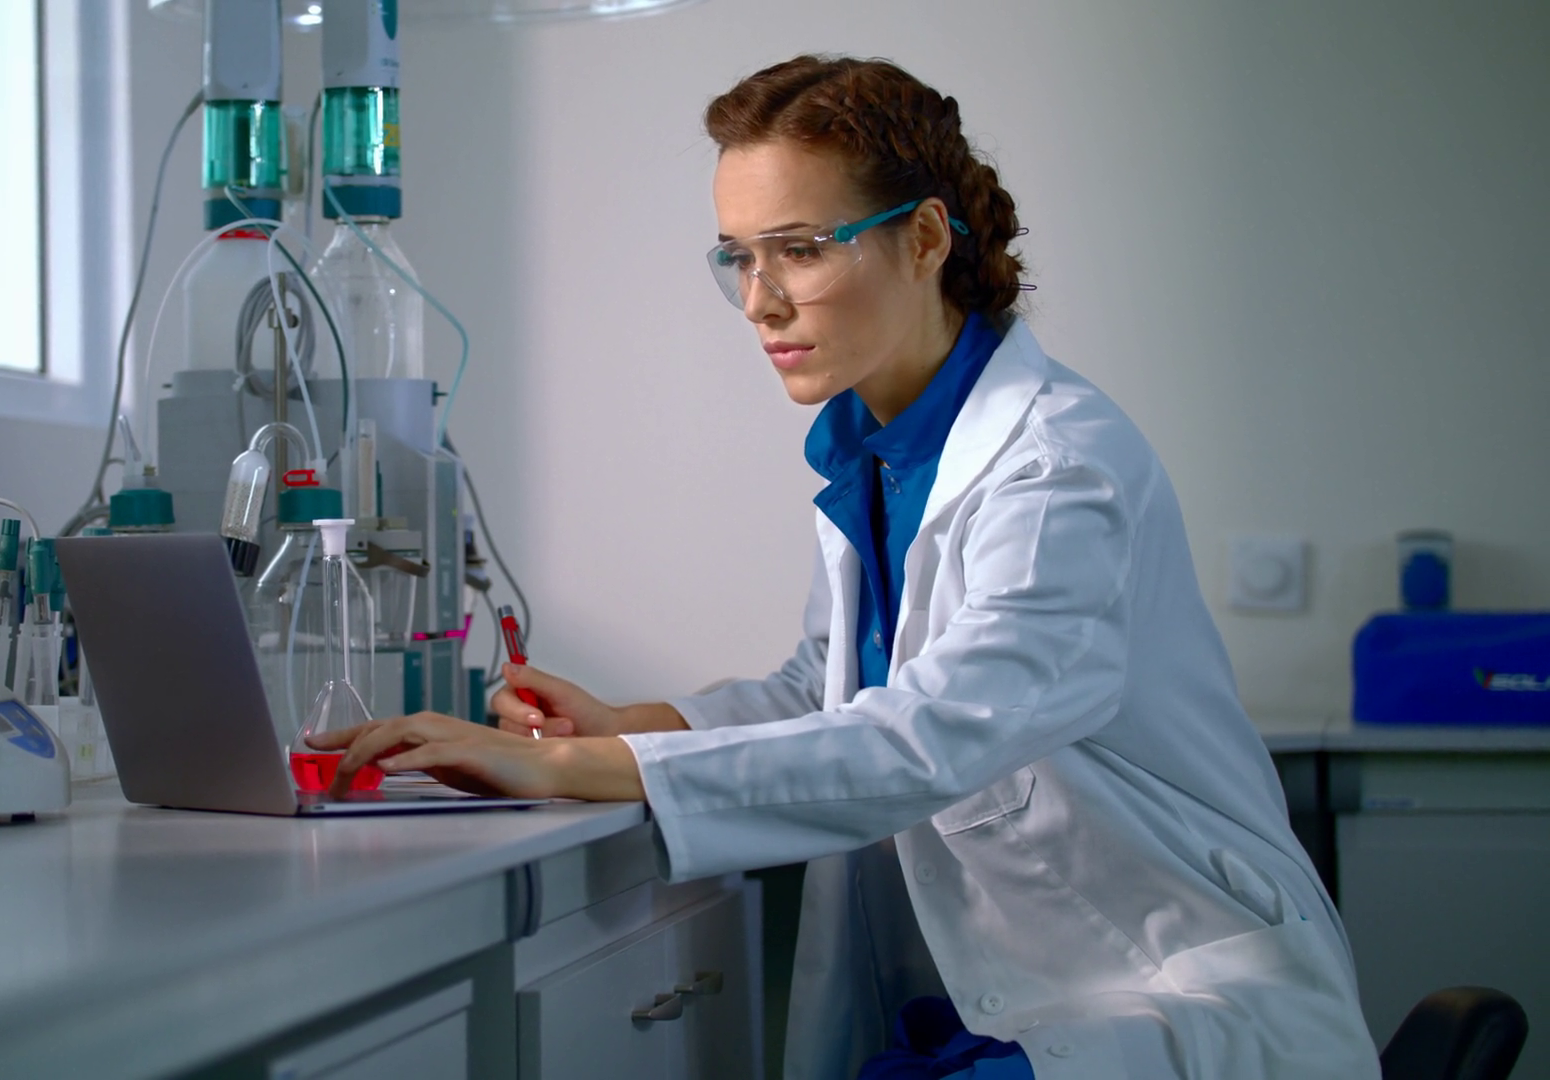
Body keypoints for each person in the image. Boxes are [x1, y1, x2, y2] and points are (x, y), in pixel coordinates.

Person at [312, 55, 1378, 1079]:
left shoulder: (1056, 472)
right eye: (738, 255)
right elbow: (821, 689)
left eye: (802, 249)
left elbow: (934, 733)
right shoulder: (876, 444)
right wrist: (627, 724)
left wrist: (569, 771)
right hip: (1011, 997)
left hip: (1173, 999)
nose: (760, 302)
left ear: (922, 239)